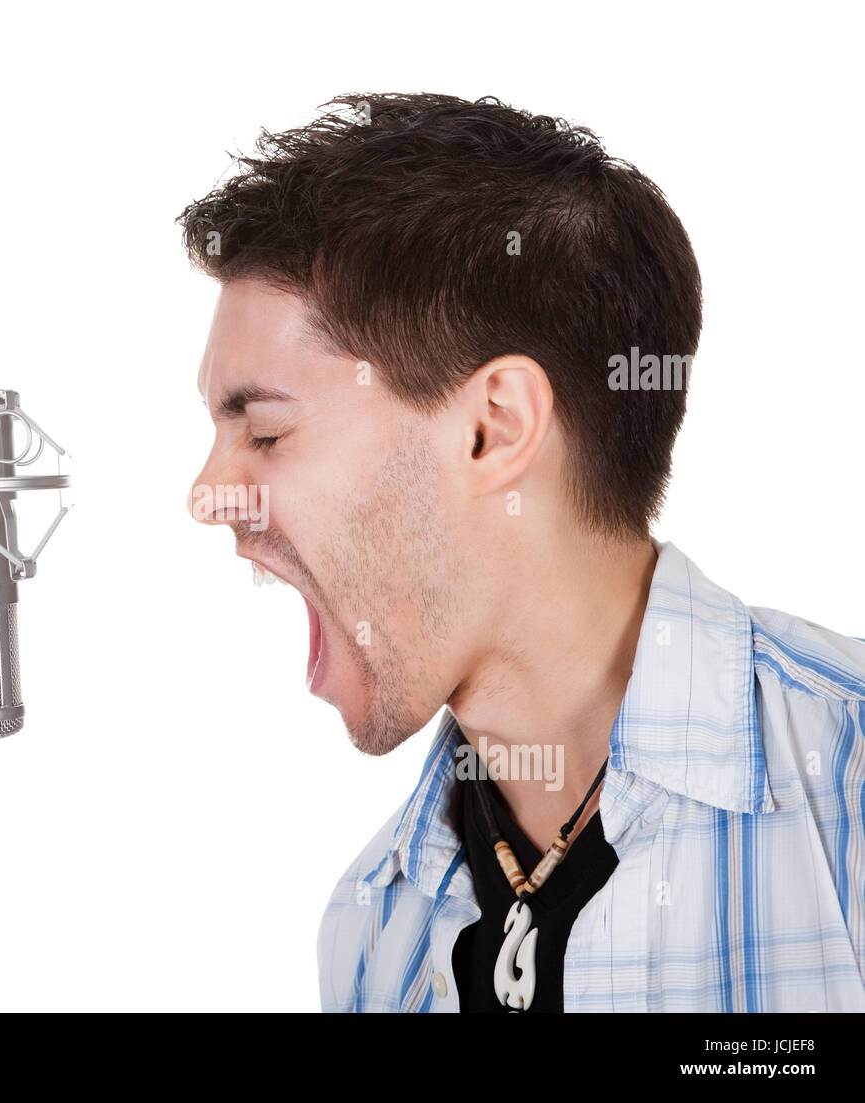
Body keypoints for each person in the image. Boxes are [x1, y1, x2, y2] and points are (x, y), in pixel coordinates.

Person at [178, 93, 865, 1012]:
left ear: (493, 427)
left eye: (263, 432)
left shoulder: (849, 792)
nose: (205, 496)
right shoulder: (375, 925)